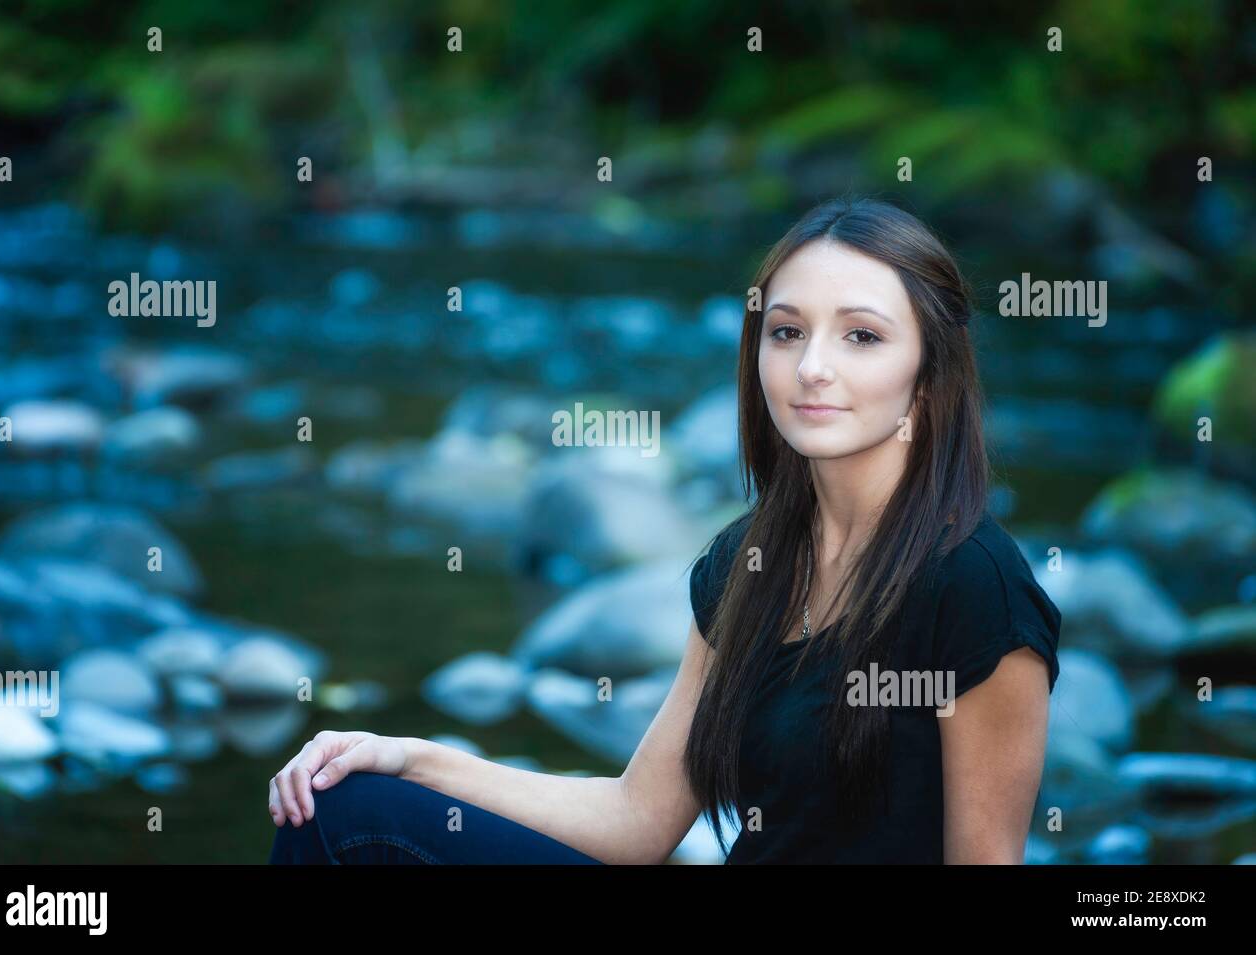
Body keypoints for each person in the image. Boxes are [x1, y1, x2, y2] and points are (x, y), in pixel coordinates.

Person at [268, 195, 1061, 865]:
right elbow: (637, 820)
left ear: (927, 377)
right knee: (342, 810)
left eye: (861, 335)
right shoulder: (748, 559)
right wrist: (410, 757)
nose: (813, 366)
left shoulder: (972, 582)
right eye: (787, 332)